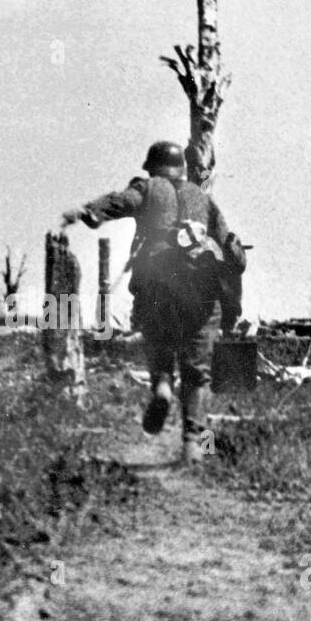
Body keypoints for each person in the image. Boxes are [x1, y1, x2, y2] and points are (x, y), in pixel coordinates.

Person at [62, 140, 247, 462]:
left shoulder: (147, 188)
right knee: (198, 373)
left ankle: (161, 385)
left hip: (157, 286)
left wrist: (86, 212)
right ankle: (198, 447)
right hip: (202, 290)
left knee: (161, 350)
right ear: (182, 169)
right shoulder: (203, 198)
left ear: (153, 167)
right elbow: (231, 247)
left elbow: (120, 202)